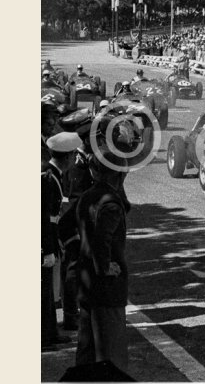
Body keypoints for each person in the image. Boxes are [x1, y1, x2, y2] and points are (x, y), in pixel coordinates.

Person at [75, 154, 131, 370]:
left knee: (87, 352)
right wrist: (105, 266)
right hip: (107, 288)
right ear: (120, 173)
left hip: (86, 282)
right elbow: (102, 239)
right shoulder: (110, 203)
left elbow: (65, 227)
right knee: (111, 355)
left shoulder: (86, 197)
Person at [43, 132, 80, 350]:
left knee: (49, 291)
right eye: (73, 155)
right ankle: (44, 336)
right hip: (44, 243)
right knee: (44, 291)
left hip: (51, 239)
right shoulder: (48, 177)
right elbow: (44, 218)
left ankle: (50, 332)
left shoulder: (52, 175)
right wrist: (48, 249)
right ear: (67, 157)